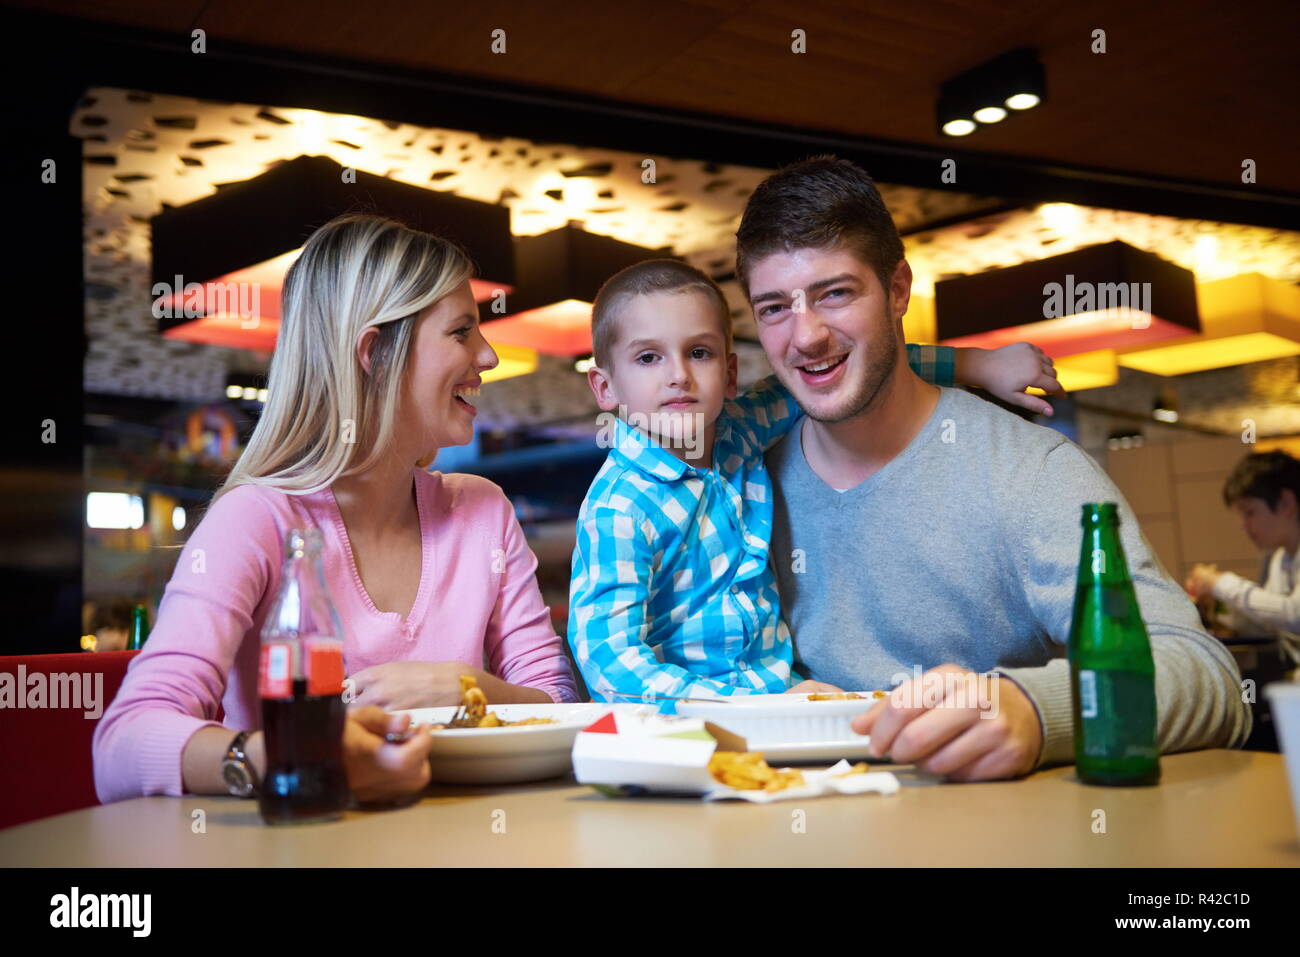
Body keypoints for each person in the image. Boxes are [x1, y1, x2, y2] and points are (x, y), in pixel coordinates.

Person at [739, 156, 1251, 781]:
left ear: (898, 290)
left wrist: (1036, 711)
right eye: (774, 309)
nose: (807, 336)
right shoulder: (738, 482)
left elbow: (1209, 676)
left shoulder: (1032, 474)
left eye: (836, 293)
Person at [94, 214, 578, 804]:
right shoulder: (258, 519)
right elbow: (122, 744)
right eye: (461, 332)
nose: (490, 355)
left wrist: (470, 688)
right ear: (375, 352)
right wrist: (286, 753)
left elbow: (557, 702)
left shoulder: (483, 510)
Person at [568, 257, 1061, 706]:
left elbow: (864, 368)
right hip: (677, 730)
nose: (679, 376)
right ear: (605, 387)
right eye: (648, 358)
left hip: (782, 703)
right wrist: (751, 707)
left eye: (699, 353)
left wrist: (977, 364)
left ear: (730, 371)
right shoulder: (621, 506)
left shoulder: (739, 432)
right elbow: (609, 663)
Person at [1186, 450, 1300, 666]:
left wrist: (1219, 583)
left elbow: (1295, 615)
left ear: (1286, 502)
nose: (1243, 525)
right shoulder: (1281, 558)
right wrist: (1218, 605)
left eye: (1249, 512)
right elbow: (1271, 623)